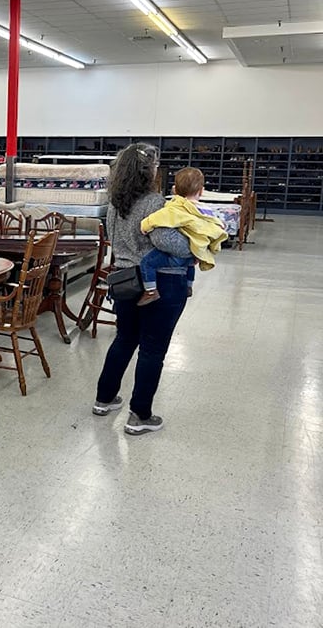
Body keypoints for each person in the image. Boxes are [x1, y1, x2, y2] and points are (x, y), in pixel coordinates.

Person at [93, 143, 193, 435]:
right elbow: (165, 241)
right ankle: (140, 415)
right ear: (149, 170)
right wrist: (195, 246)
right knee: (152, 349)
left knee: (124, 340)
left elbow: (115, 238)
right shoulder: (155, 203)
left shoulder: (115, 203)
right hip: (159, 284)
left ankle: (105, 398)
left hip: (124, 281)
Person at [137, 166, 228, 305]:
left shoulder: (177, 208)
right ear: (202, 191)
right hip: (195, 254)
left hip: (177, 257)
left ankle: (150, 291)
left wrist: (145, 225)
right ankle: (189, 286)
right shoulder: (206, 210)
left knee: (147, 263)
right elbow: (215, 225)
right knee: (190, 265)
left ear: (175, 190)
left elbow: (158, 218)